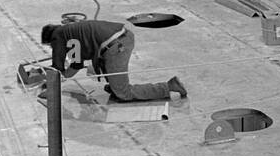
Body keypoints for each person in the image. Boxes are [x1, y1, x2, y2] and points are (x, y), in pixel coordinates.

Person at [40, 19, 187, 103]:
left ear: (50, 40)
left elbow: (56, 70)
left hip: (116, 46)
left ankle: (168, 86)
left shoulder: (57, 37)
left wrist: (50, 89)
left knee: (124, 94)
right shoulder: (69, 32)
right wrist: (60, 80)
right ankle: (115, 85)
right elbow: (75, 66)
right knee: (114, 83)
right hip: (120, 39)